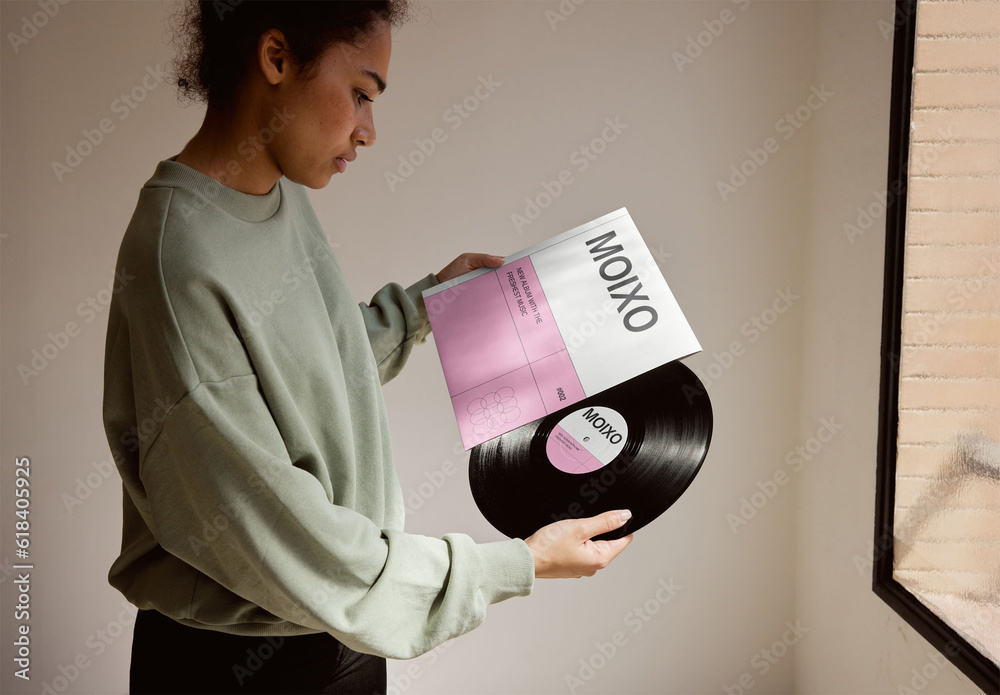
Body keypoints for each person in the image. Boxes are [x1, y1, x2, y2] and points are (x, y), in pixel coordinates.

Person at [101, 1, 635, 693]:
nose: (369, 130)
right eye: (360, 93)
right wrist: (518, 564)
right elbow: (286, 531)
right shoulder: (180, 257)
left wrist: (424, 307)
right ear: (276, 59)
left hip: (344, 626)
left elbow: (299, 374)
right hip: (241, 664)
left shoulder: (274, 193)